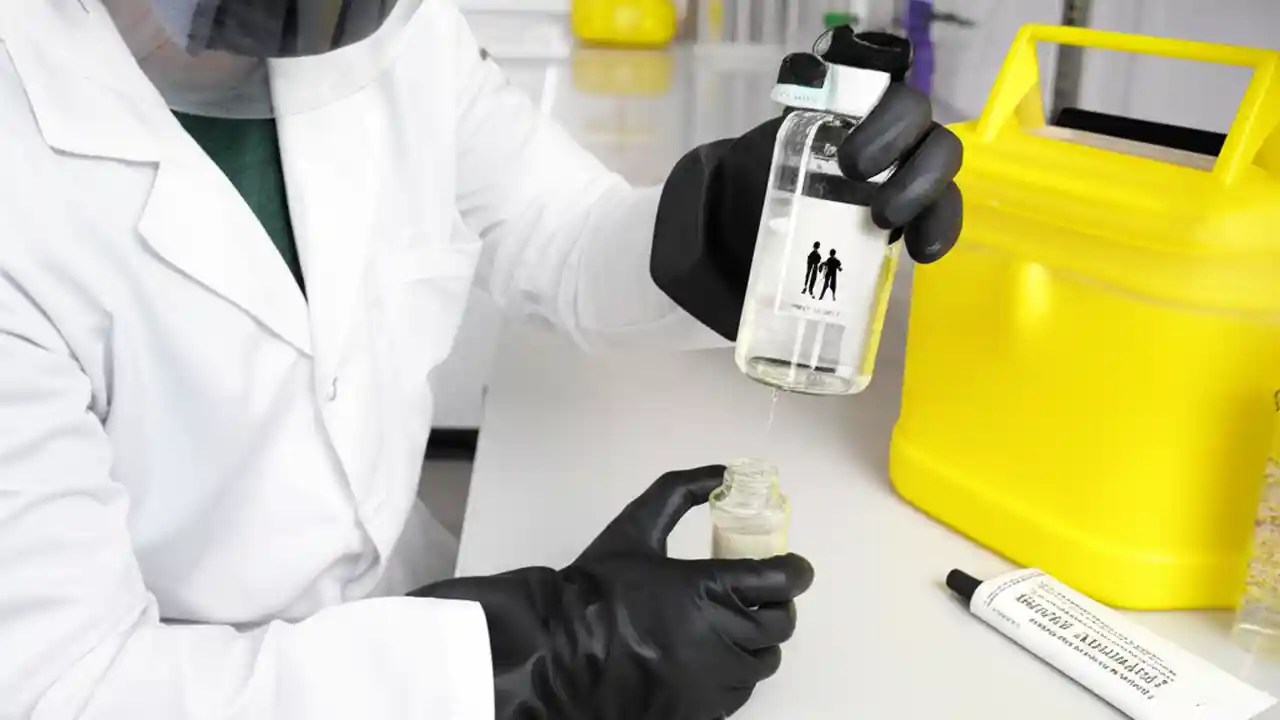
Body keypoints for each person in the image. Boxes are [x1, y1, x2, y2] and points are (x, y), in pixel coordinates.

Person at [0, 1, 963, 718]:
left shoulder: (397, 34)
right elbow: (69, 686)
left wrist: (729, 226)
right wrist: (539, 661)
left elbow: (562, 233)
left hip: (409, 599)